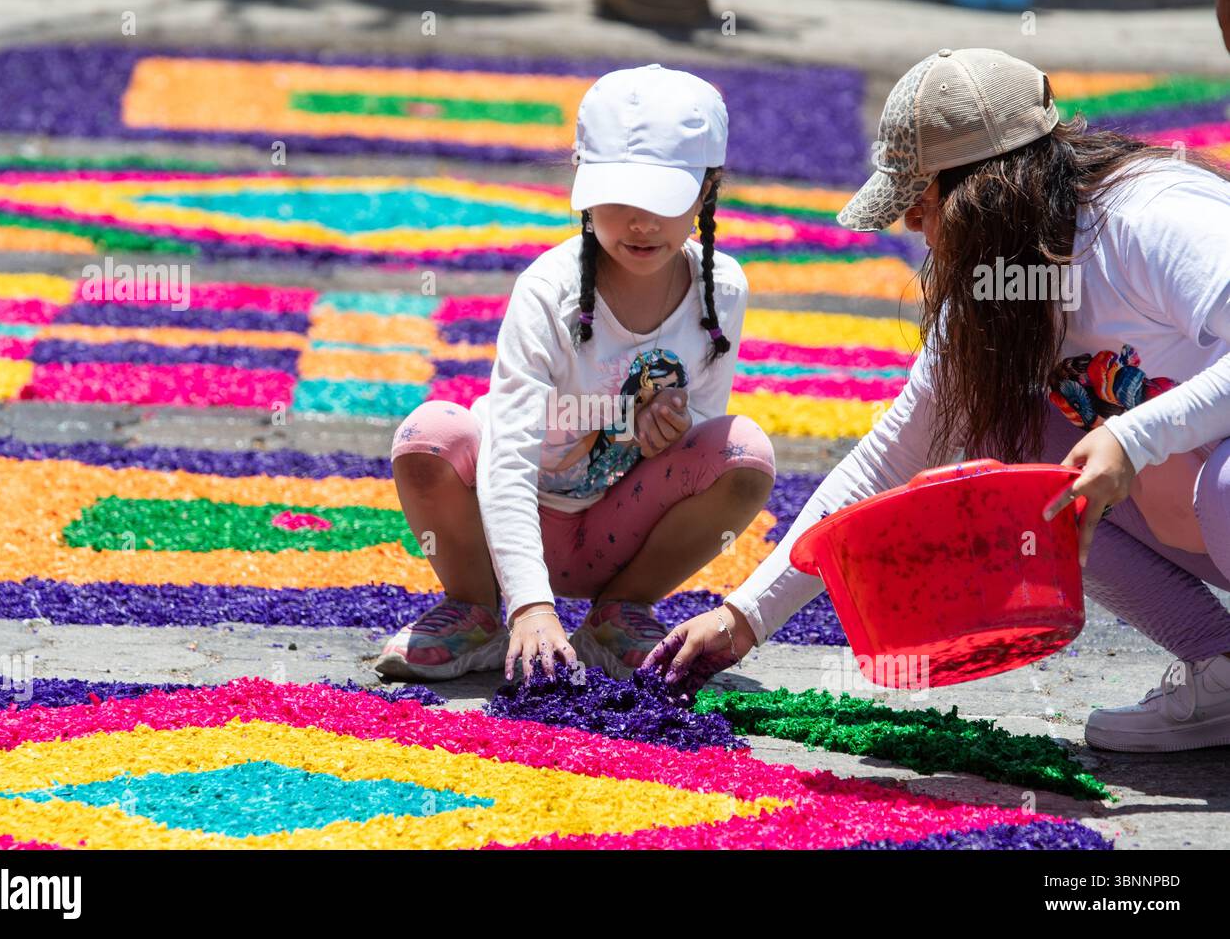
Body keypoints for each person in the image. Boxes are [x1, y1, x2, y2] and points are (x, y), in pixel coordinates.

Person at [644, 48, 1230, 754]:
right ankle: (1221, 667)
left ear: (989, 190)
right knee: (1016, 461)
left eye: (921, 203)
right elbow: (886, 461)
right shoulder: (1000, 283)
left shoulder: (1149, 220)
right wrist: (742, 620)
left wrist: (1133, 439)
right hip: (1194, 500)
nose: (912, 229)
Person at [377, 64, 775, 683]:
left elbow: (705, 430)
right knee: (431, 436)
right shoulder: (546, 290)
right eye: (619, 198)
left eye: (664, 199)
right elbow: (507, 453)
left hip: (616, 528)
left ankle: (621, 614)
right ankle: (478, 610)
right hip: (506, 522)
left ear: (707, 189)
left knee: (744, 452)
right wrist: (531, 607)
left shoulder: (720, 289)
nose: (641, 222)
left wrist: (674, 428)